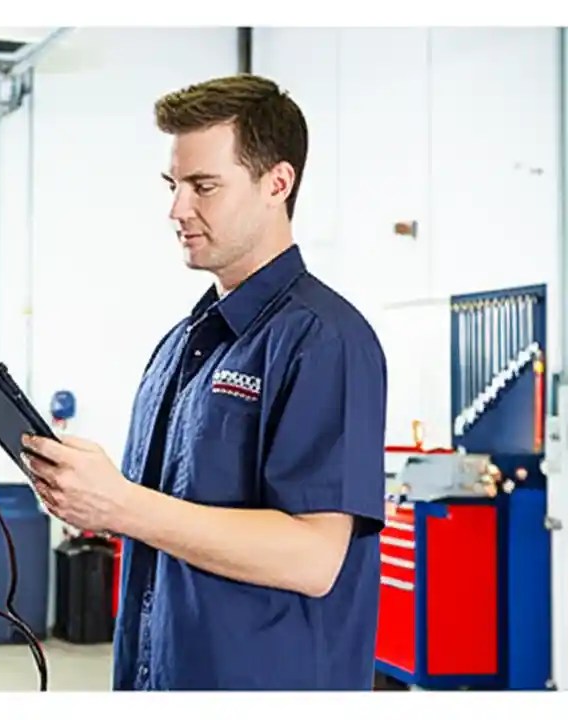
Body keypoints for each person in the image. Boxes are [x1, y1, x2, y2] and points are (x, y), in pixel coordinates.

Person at [21, 74, 388, 691]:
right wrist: (91, 493)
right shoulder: (178, 346)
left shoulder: (324, 340)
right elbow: (165, 519)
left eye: (203, 186)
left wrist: (123, 504)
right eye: (173, 185)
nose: (176, 209)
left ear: (278, 183)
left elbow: (313, 557)